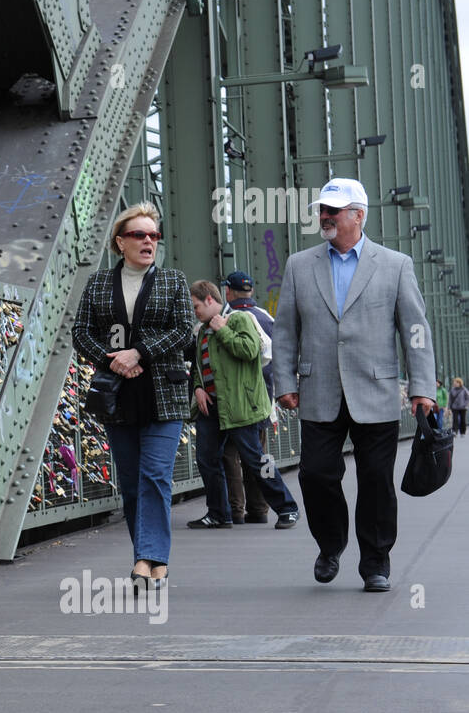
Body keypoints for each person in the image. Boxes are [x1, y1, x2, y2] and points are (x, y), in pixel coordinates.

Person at [273, 178, 436, 592]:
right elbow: (285, 331)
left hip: (376, 390)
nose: (324, 216)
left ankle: (375, 562)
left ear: (358, 215)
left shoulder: (395, 265)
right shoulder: (299, 265)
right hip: (318, 388)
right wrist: (283, 380)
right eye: (322, 210)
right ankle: (331, 545)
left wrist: (422, 387)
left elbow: (415, 329)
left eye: (333, 210)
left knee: (376, 481)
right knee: (315, 475)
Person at [73, 202, 192, 587]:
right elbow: (81, 332)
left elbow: (182, 331)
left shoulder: (173, 281)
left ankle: (147, 557)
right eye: (139, 235)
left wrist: (138, 352)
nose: (148, 241)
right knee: (130, 480)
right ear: (120, 241)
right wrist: (112, 361)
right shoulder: (98, 283)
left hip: (163, 393)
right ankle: (153, 558)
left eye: (154, 235)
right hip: (118, 393)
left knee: (155, 475)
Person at [186, 280, 299, 529]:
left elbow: (250, 350)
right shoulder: (203, 330)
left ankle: (287, 507)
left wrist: (223, 330)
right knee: (207, 459)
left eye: (196, 306)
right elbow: (200, 365)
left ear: (209, 300)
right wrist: (198, 388)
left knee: (257, 459)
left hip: (240, 406)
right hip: (213, 406)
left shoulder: (238, 320)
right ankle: (218, 513)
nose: (194, 312)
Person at [220, 270, 275, 523]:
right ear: (251, 291)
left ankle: (235, 510)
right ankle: (260, 509)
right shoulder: (266, 317)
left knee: (230, 454)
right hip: (263, 399)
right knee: (259, 455)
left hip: (235, 400)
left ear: (228, 292)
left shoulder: (226, 319)